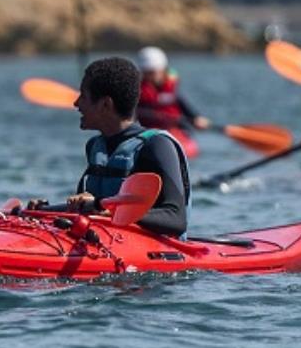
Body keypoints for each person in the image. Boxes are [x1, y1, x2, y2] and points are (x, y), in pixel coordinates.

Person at [27, 56, 191, 238]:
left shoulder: (157, 145)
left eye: (83, 96)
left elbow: (176, 219)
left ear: (106, 104)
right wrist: (43, 210)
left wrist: (108, 210)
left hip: (158, 254)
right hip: (107, 243)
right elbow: (89, 208)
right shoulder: (95, 146)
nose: (76, 103)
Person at [134, 46, 211, 132]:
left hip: (173, 129)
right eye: (147, 73)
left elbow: (182, 103)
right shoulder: (137, 91)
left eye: (153, 72)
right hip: (148, 130)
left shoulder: (172, 87)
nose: (151, 76)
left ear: (162, 69)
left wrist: (196, 117)